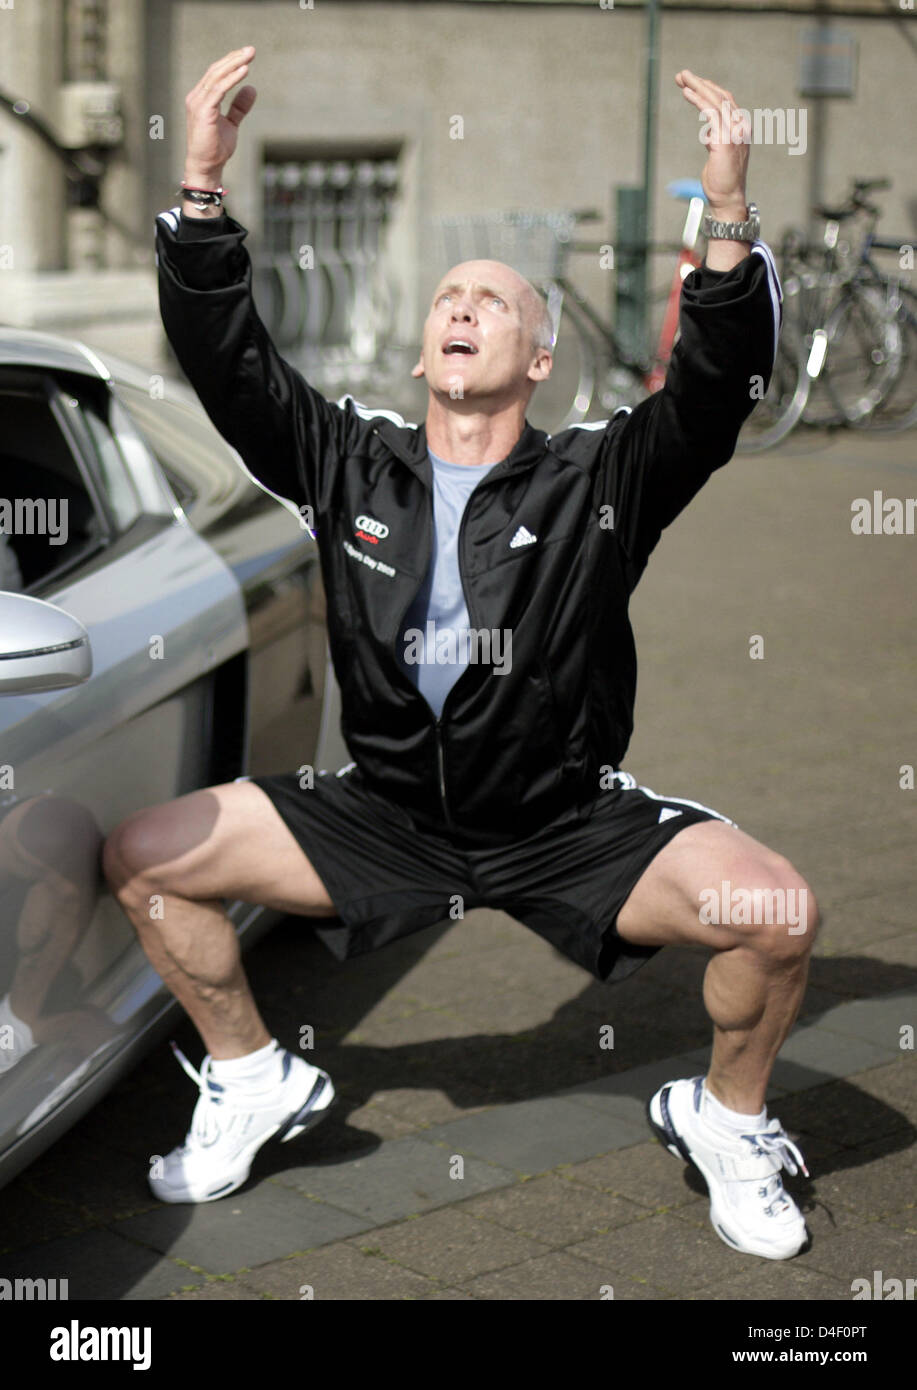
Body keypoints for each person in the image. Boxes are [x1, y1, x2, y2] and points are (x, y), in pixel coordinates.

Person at [103, 45, 817, 1261]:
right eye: (446, 296)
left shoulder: (598, 474)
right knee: (148, 860)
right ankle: (253, 1074)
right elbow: (230, 368)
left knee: (776, 914)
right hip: (382, 813)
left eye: (491, 300)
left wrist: (728, 217)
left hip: (560, 816)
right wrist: (202, 188)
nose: (460, 307)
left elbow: (711, 392)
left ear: (538, 359)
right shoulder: (347, 461)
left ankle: (727, 1118)